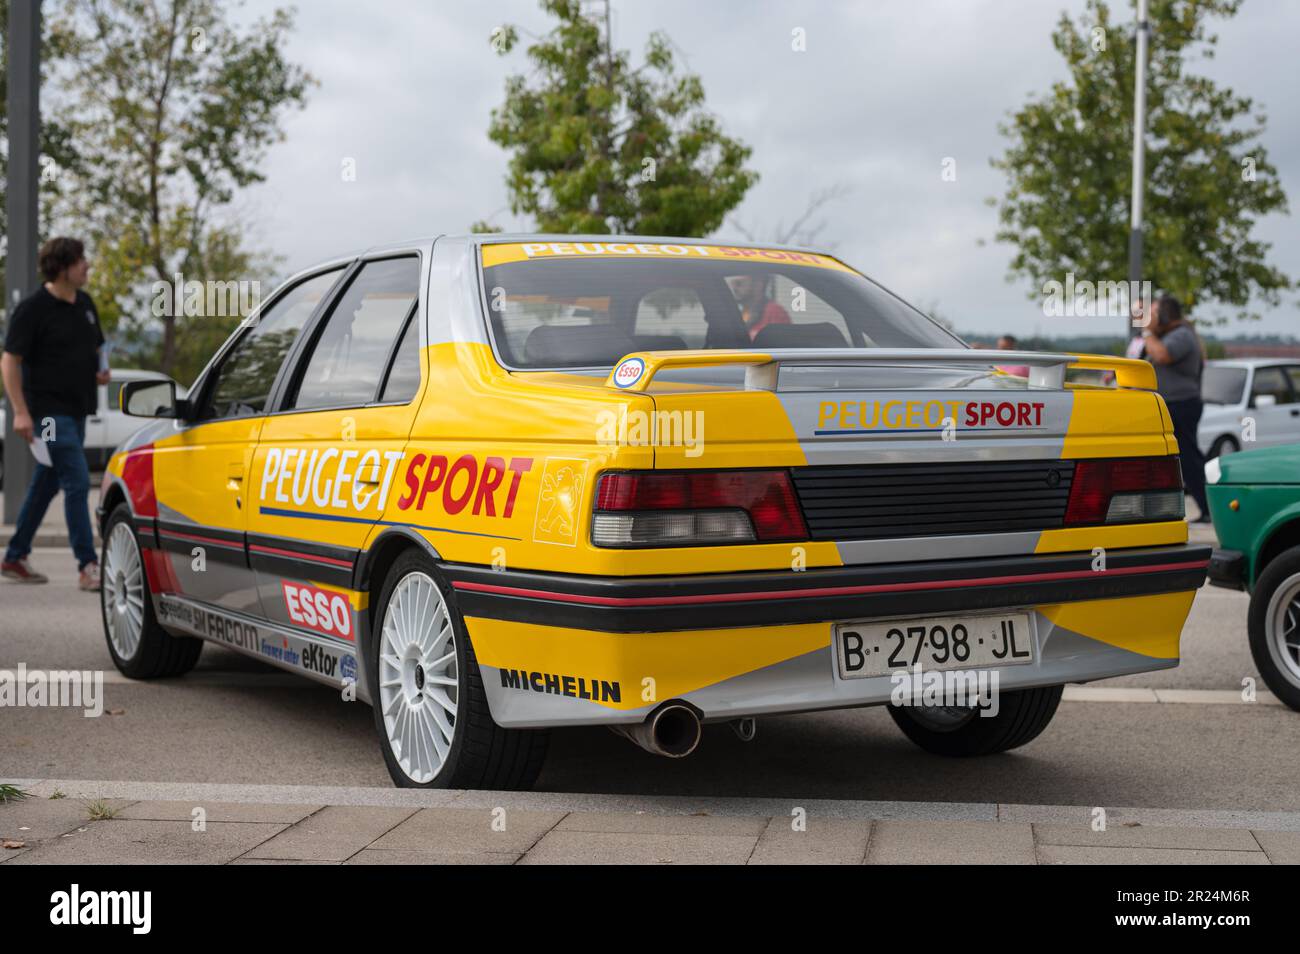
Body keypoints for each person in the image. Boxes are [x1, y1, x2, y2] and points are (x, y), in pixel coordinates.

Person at [1, 237, 109, 589]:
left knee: (46, 481)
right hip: (46, 416)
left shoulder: (86, 304)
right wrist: (20, 412)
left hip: (77, 412)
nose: (87, 266)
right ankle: (87, 564)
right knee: (77, 480)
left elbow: (96, 346)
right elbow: (9, 361)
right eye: (80, 261)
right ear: (62, 267)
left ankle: (15, 556)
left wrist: (99, 370)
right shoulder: (33, 308)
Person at [1140, 295, 1210, 523]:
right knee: (1169, 460)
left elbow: (1162, 355)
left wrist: (1147, 332)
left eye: (1153, 313)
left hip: (1182, 405)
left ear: (1166, 315)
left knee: (1188, 460)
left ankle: (1209, 510)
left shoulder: (1181, 336)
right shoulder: (1172, 335)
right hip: (1171, 404)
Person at [730, 273, 791, 341]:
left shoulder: (775, 312)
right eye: (733, 284)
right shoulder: (740, 313)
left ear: (758, 285)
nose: (735, 289)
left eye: (739, 283)